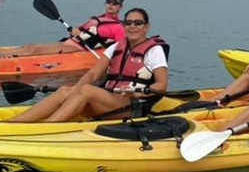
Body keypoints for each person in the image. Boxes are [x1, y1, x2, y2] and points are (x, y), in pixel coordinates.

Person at [10, 8, 168, 122]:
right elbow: (92, 74)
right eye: (128, 23)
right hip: (109, 100)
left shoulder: (154, 50)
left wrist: (137, 93)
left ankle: (47, 127)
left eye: (138, 23)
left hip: (131, 105)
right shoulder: (116, 47)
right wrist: (73, 92)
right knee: (66, 89)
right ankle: (14, 124)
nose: (132, 26)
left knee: (86, 90)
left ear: (147, 26)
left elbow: (161, 86)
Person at [0, 0, 126, 57]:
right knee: (28, 46)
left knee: (33, 49)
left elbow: (121, 47)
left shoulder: (118, 27)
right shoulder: (97, 18)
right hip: (69, 43)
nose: (111, 5)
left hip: (77, 49)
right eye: (109, 2)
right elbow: (78, 30)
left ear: (120, 7)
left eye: (115, 4)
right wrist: (74, 30)